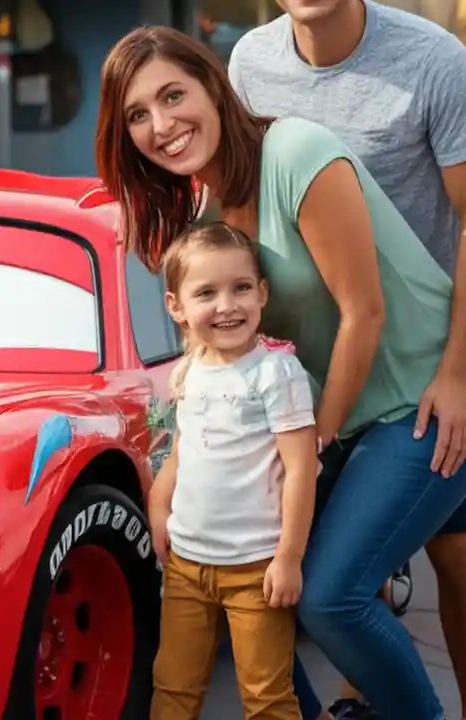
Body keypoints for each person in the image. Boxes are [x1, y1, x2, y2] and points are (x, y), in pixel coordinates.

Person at [95, 26, 466, 720]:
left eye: (173, 95)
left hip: (423, 395)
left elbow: (364, 313)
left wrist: (314, 446)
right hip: (333, 413)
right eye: (138, 114)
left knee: (329, 595)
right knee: (253, 577)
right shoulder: (209, 206)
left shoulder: (298, 152)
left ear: (213, 88)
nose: (162, 125)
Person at [228, 3, 466, 717]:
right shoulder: (249, 65)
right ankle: (360, 699)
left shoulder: (433, 59)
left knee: (455, 545)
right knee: (349, 556)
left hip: (430, 348)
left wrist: (451, 372)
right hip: (328, 357)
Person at [148, 221, 318, 720]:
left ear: (262, 293)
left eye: (241, 288)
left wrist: (289, 558)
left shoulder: (276, 373)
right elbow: (183, 452)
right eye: (207, 293)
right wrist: (159, 507)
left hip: (255, 570)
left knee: (266, 696)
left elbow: (301, 468)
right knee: (174, 685)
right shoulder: (191, 368)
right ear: (176, 307)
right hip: (186, 568)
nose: (227, 306)